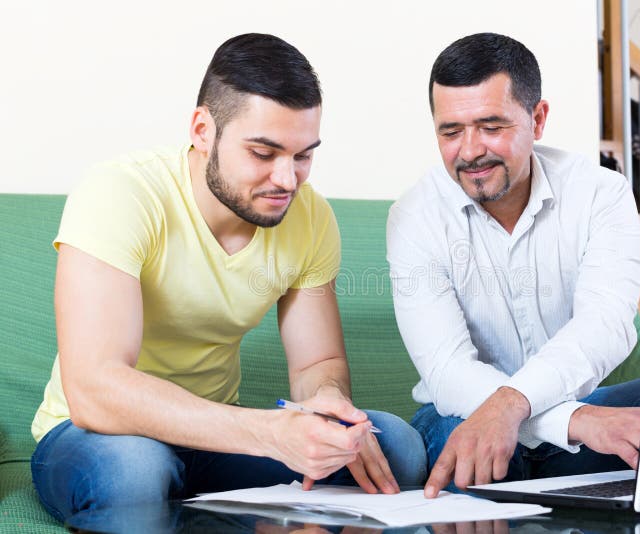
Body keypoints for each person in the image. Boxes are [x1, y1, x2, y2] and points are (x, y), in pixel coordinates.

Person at [30, 33, 426, 521]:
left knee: (397, 448)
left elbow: (316, 362)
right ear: (202, 129)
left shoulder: (310, 215)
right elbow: (96, 390)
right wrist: (266, 431)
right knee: (134, 470)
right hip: (99, 435)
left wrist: (327, 406)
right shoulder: (120, 193)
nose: (287, 180)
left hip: (217, 441)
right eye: (264, 153)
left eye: (303, 155)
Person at [386, 33, 640, 498]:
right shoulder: (414, 217)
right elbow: (447, 369)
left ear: (538, 119)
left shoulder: (600, 194)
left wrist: (522, 406)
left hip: (582, 405)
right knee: (465, 442)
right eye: (450, 132)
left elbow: (606, 325)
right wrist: (573, 421)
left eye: (490, 126)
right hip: (460, 413)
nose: (469, 152)